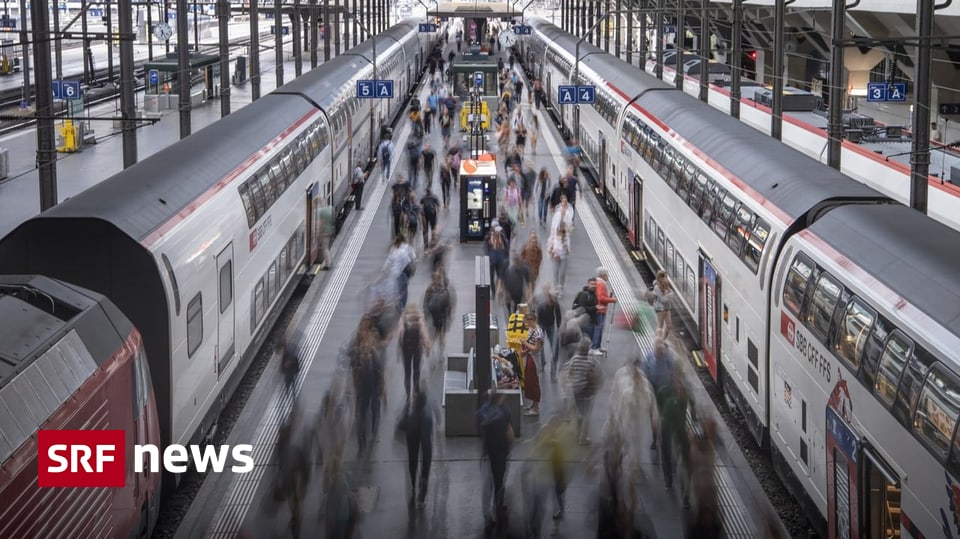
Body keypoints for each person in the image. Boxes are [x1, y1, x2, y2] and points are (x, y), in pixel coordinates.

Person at [478, 390, 515, 531]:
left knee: (487, 487)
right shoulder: (503, 413)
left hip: (487, 453)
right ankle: (498, 510)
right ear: (500, 398)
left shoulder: (485, 411)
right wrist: (509, 448)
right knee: (499, 484)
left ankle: (487, 518)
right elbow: (510, 435)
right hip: (501, 455)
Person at [566, 338, 601, 444]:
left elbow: (570, 373)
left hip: (576, 389)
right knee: (587, 413)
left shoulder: (575, 359)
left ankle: (577, 426)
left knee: (579, 409)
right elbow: (596, 373)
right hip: (586, 390)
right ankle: (583, 438)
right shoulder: (591, 361)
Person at [403, 391, 435, 509]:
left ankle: (413, 483)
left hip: (412, 440)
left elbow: (405, 425)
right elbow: (427, 437)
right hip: (425, 443)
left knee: (413, 461)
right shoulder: (427, 415)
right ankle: (422, 494)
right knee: (425, 466)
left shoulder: (412, 414)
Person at [398, 304, 430, 399]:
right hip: (417, 348)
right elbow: (424, 335)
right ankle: (416, 390)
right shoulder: (419, 320)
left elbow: (400, 335)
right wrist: (427, 347)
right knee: (416, 370)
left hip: (406, 349)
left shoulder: (403, 320)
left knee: (407, 372)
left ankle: (408, 394)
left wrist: (399, 349)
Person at [534, 283, 562, 381]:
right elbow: (535, 310)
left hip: (550, 324)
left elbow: (558, 312)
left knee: (554, 346)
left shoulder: (553, 299)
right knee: (540, 345)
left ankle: (553, 371)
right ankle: (542, 363)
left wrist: (558, 325)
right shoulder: (539, 298)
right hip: (541, 324)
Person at [522, 313, 544, 416]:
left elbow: (536, 348)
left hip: (535, 359)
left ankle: (536, 407)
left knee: (534, 382)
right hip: (530, 357)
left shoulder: (538, 332)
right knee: (529, 381)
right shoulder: (532, 330)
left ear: (531, 320)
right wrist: (525, 352)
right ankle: (533, 404)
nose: (526, 325)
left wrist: (525, 343)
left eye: (527, 322)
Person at [593, 267, 617, 352]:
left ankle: (598, 346)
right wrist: (612, 300)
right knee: (598, 328)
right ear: (603, 274)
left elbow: (602, 296)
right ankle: (594, 347)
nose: (608, 276)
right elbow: (601, 298)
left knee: (600, 328)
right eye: (607, 274)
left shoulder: (600, 283)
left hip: (601, 309)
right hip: (600, 309)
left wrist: (608, 295)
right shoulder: (601, 284)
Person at [548, 224, 571, 296]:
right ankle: (555, 288)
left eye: (561, 233)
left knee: (562, 273)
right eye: (558, 233)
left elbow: (568, 251)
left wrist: (566, 247)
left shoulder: (566, 239)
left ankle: (561, 286)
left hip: (563, 257)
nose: (559, 235)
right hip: (555, 257)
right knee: (555, 272)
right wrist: (551, 250)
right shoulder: (554, 238)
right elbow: (550, 246)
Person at [653, 270, 674, 338]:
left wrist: (667, 295)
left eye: (666, 277)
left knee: (669, 325)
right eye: (665, 277)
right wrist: (668, 295)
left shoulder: (666, 285)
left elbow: (672, 293)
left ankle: (663, 339)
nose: (666, 279)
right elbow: (662, 300)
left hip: (667, 307)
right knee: (660, 326)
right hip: (660, 308)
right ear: (660, 278)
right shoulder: (656, 287)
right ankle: (658, 340)